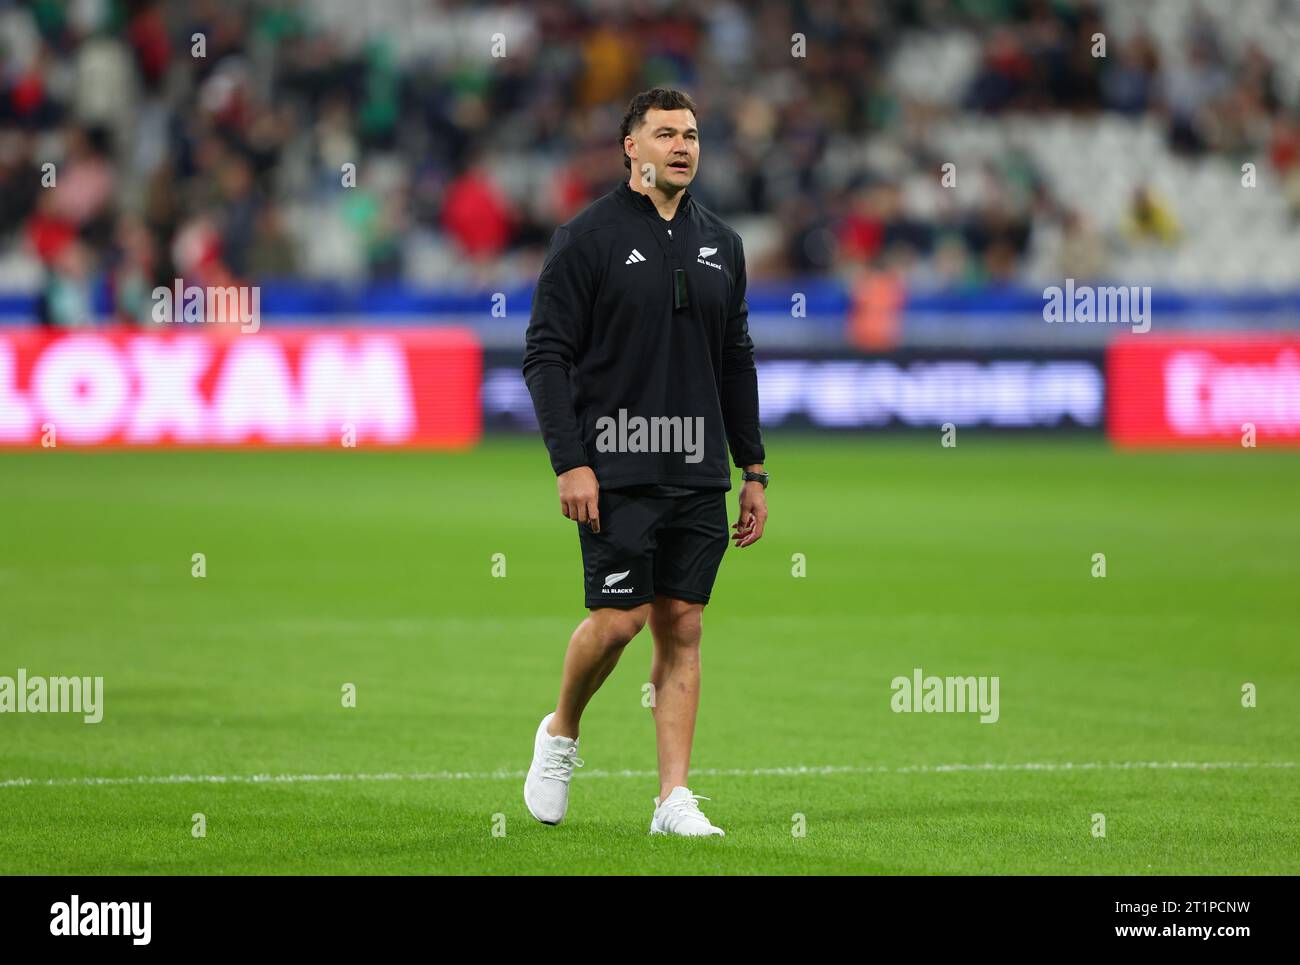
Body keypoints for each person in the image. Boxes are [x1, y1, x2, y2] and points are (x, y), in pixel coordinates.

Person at [521, 87, 769, 837]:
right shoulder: (587, 238)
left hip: (698, 467)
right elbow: (545, 356)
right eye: (665, 134)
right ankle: (561, 728)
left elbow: (736, 359)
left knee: (683, 624)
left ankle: (673, 799)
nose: (682, 146)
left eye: (691, 134)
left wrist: (752, 468)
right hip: (616, 461)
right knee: (620, 620)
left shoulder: (722, 243)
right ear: (632, 147)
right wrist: (571, 461)